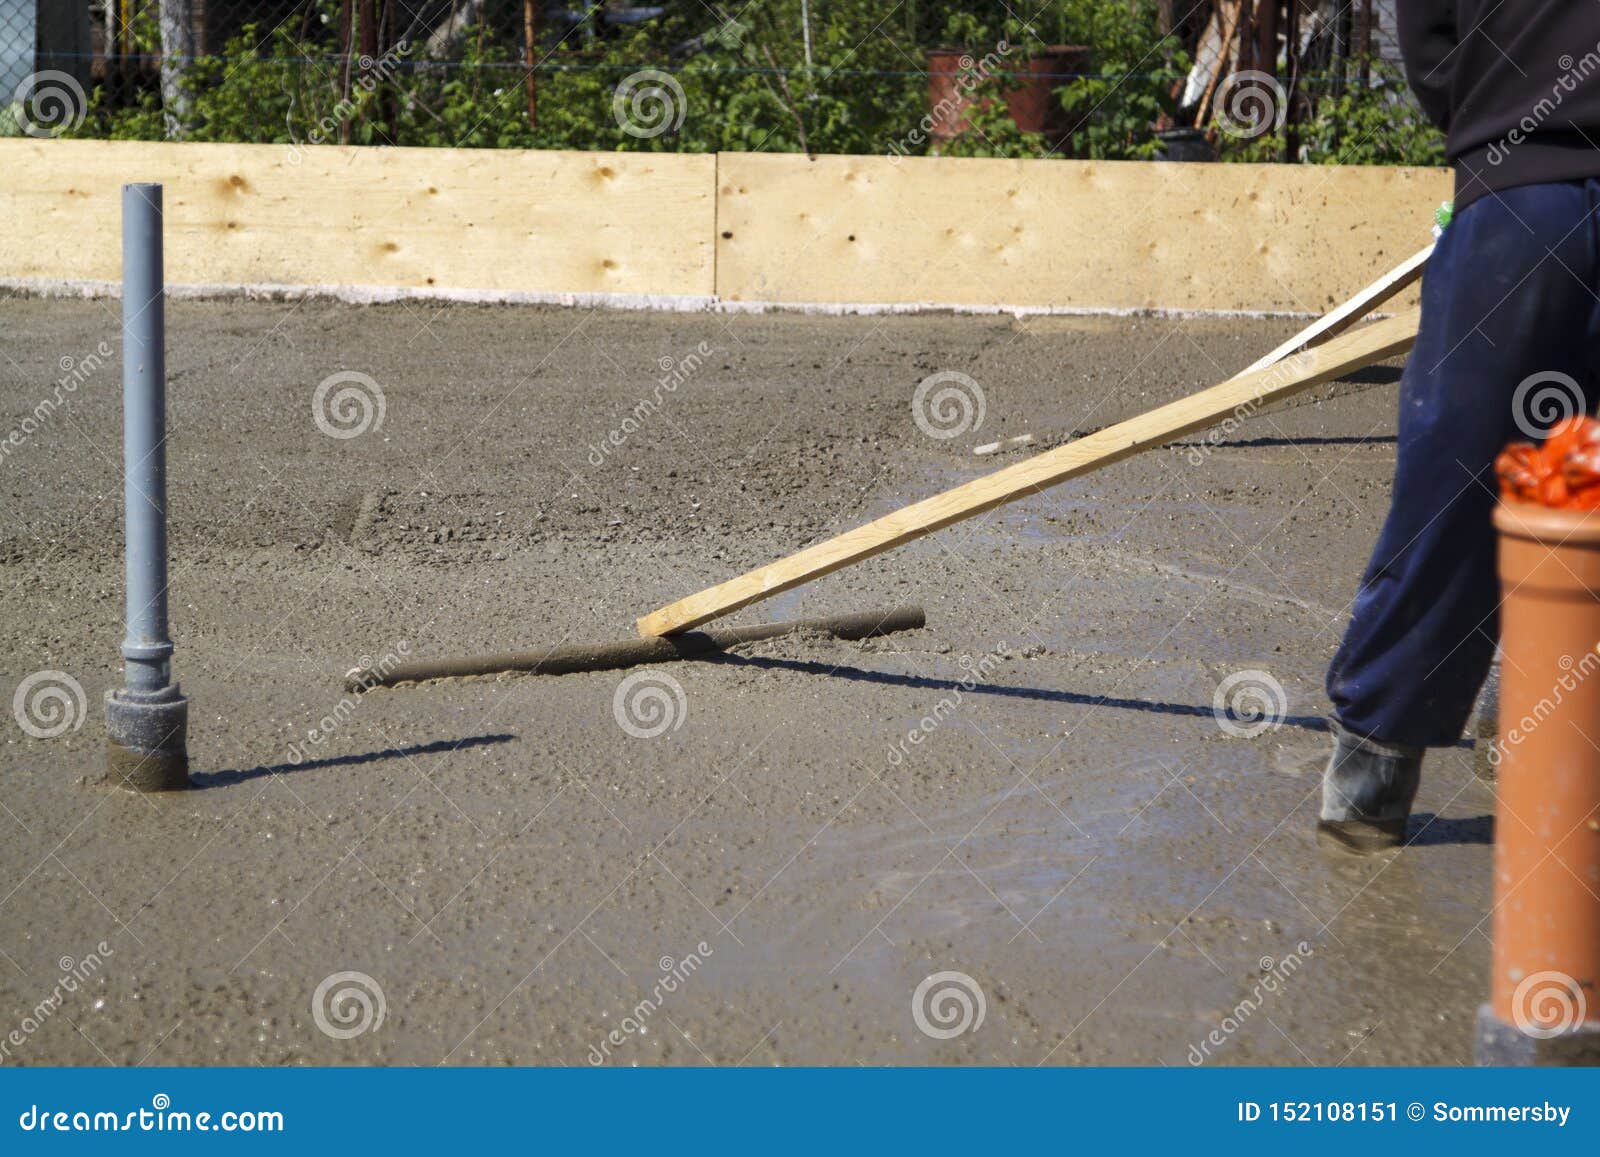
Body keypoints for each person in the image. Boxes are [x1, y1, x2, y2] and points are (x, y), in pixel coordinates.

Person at [1320, 3, 1600, 851]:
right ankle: (1532, 708)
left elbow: (1431, 48)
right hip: (1520, 184)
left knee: (1459, 472)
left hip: (1517, 194)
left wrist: (1490, 130)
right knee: (1568, 470)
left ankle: (1377, 766)